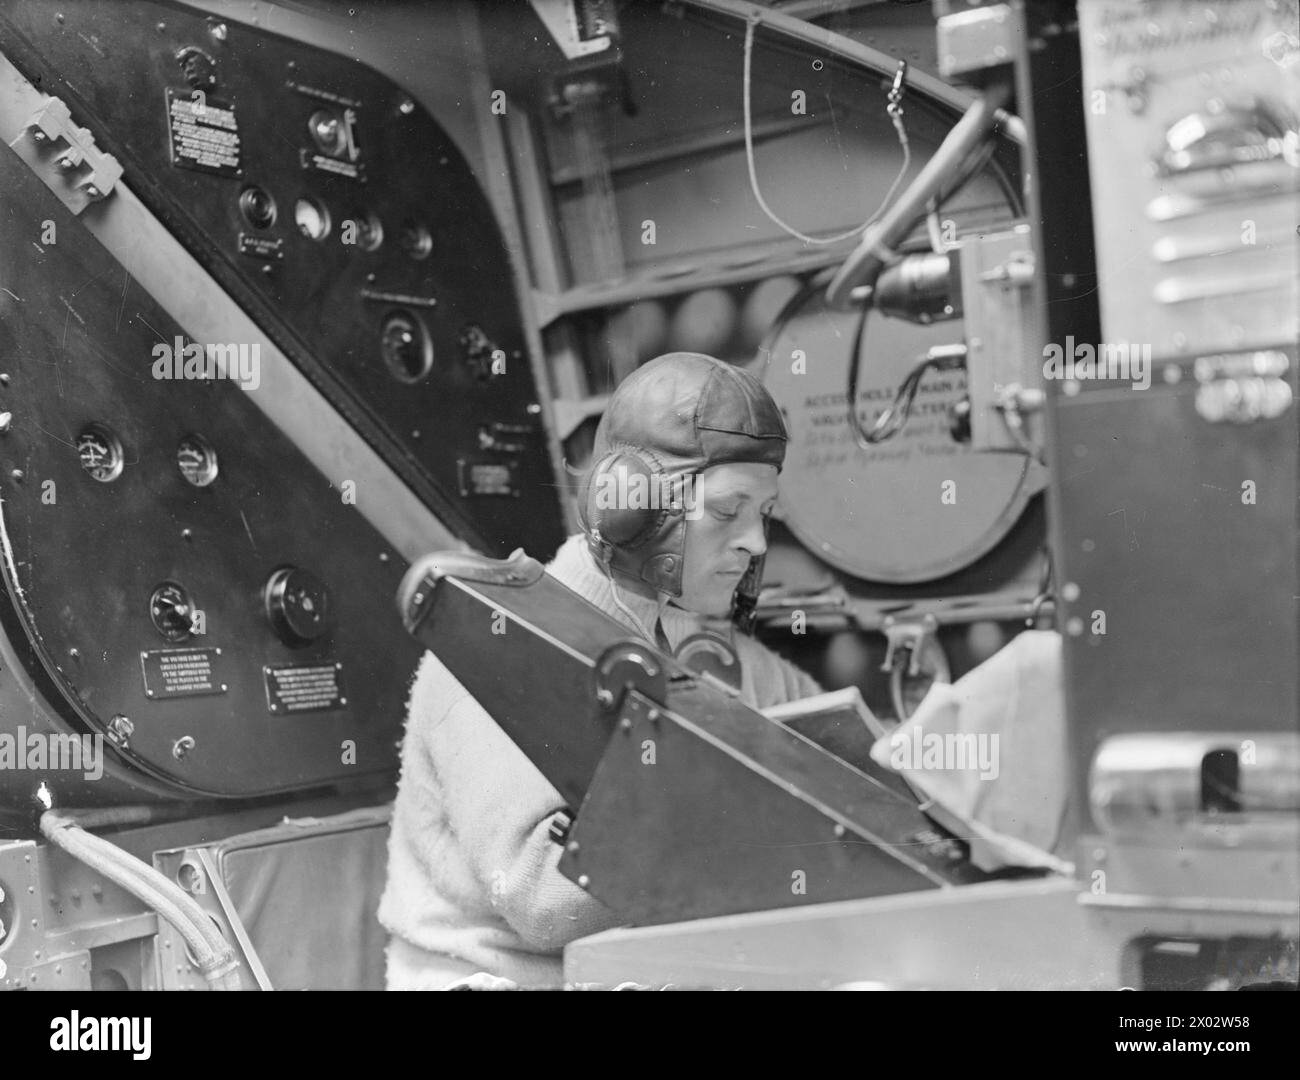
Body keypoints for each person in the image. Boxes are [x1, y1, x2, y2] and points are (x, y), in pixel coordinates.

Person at [378, 351, 823, 989]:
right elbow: (541, 898)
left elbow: (812, 733)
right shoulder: (494, 647)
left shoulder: (686, 632)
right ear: (634, 508)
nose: (755, 542)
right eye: (729, 512)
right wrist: (746, 813)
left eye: (764, 515)